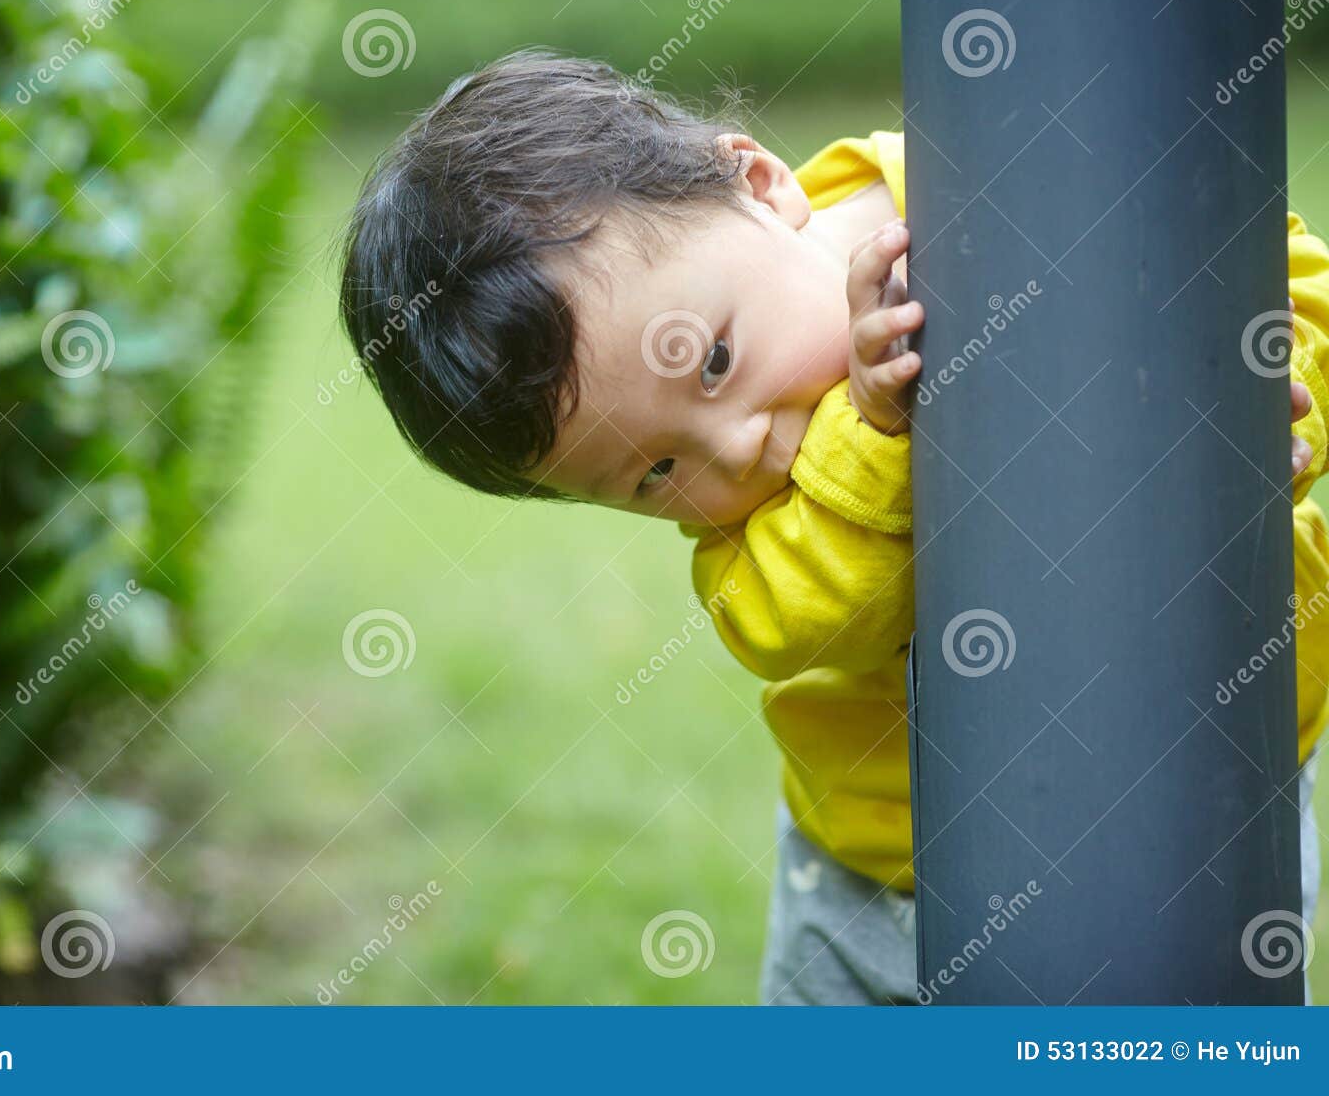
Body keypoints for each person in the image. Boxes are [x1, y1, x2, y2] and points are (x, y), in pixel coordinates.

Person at [337, 50, 1328, 1003]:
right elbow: (810, 616)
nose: (739, 450)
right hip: (878, 887)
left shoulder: (991, 189)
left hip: (1211, 800)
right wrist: (872, 428)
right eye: (653, 474)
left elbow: (1280, 276)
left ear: (758, 184)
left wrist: (1248, 410)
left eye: (715, 359)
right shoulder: (748, 556)